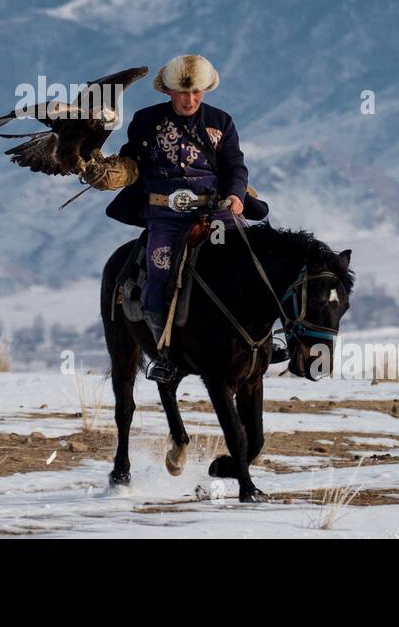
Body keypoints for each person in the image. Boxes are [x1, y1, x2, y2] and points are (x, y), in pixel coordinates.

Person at [82, 55, 266, 384]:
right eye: (183, 92)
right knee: (159, 272)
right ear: (168, 91)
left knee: (250, 264)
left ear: (204, 91)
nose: (190, 99)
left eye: (196, 92)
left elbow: (235, 167)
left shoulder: (221, 122)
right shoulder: (145, 121)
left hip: (216, 213)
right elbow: (131, 164)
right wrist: (111, 172)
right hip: (164, 214)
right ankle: (165, 354)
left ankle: (263, 345)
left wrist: (237, 195)